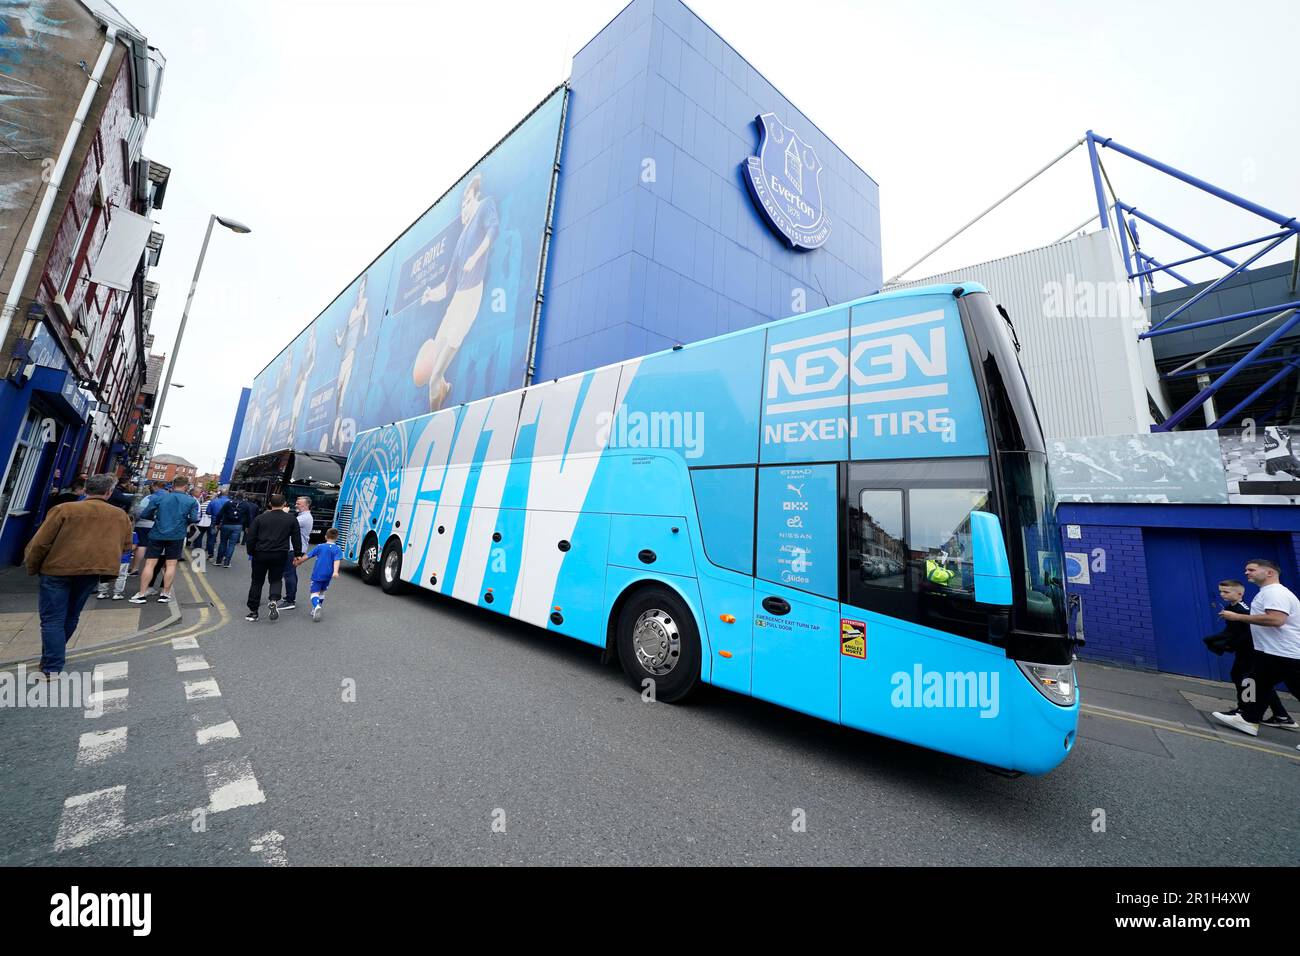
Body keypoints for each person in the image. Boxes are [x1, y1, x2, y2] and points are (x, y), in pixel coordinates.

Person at [24, 474, 134, 677]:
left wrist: (32, 566)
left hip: (56, 570)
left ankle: (51, 665)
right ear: (108, 493)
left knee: (52, 619)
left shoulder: (64, 509)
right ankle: (51, 658)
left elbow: (40, 543)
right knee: (71, 616)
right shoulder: (120, 515)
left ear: (85, 490)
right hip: (91, 571)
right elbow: (127, 546)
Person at [412, 174, 499, 411]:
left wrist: (476, 256)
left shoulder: (485, 206)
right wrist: (432, 295)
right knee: (432, 374)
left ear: (474, 198)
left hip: (470, 299)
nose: (462, 208)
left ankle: (434, 412)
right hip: (456, 301)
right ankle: (443, 387)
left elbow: (493, 230)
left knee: (433, 379)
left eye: (465, 202)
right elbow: (448, 286)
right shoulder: (460, 240)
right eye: (461, 204)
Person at [1212, 559, 1300, 738]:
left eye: (1251, 569)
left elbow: (1276, 619)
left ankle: (1259, 716)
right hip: (1270, 652)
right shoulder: (1267, 592)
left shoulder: (1275, 593)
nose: (1246, 573)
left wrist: (1237, 617)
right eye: (1246, 570)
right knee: (1253, 682)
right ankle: (1249, 719)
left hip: (1285, 653)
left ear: (1269, 573)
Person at [128, 476, 198, 604]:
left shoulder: (159, 497)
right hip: (177, 535)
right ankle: (165, 594)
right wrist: (183, 521)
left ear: (172, 486)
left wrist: (156, 519)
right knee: (171, 565)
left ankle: (142, 594)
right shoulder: (191, 501)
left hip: (157, 533)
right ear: (186, 486)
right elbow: (194, 519)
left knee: (150, 564)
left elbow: (145, 514)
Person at [244, 492, 304, 622]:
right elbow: (296, 538)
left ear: (270, 504)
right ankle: (273, 600)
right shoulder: (291, 519)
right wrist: (298, 554)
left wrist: (251, 552)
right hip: (280, 554)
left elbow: (251, 537)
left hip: (260, 553)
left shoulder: (260, 518)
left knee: (257, 581)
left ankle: (253, 612)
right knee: (276, 579)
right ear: (284, 504)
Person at [293, 527, 342, 622]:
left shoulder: (320, 546)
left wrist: (299, 562)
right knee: (322, 591)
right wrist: (335, 572)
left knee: (314, 592)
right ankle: (314, 609)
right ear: (337, 537)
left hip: (318, 574)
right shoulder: (338, 549)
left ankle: (316, 606)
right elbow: (337, 560)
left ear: (325, 537)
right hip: (328, 575)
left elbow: (308, 556)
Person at [280, 496, 315, 611]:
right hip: (293, 548)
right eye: (296, 503)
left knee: (289, 574)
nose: (296, 505)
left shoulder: (304, 518)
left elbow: (287, 523)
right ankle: (289, 597)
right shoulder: (302, 516)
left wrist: (282, 513)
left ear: (306, 505)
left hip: (293, 549)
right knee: (290, 573)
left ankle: (290, 600)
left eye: (298, 503)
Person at [96, 530, 137, 601]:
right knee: (121, 576)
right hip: (124, 558)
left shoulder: (109, 530)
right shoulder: (132, 533)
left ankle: (102, 592)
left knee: (104, 574)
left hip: (107, 557)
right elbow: (134, 546)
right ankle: (117, 593)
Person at [215, 493, 245, 568]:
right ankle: (227, 562)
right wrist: (247, 527)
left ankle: (218, 561)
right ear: (243, 498)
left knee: (223, 543)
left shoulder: (228, 503)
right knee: (231, 544)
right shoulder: (245, 505)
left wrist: (217, 523)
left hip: (226, 525)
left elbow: (220, 514)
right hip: (237, 526)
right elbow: (249, 517)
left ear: (234, 497)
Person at [204, 488, 232, 561]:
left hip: (214, 522)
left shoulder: (213, 501)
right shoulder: (231, 502)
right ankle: (223, 556)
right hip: (226, 522)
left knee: (211, 539)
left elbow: (208, 512)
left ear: (219, 494)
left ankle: (211, 556)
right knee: (224, 540)